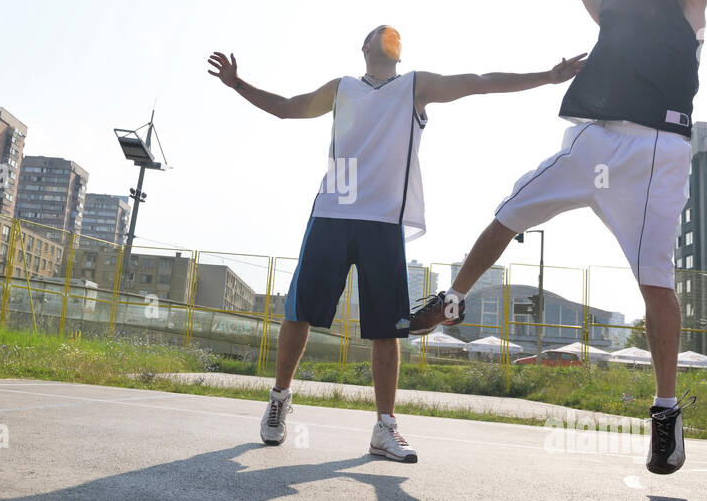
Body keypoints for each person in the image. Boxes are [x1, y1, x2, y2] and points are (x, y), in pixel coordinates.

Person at [208, 27, 584, 462]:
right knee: (300, 314)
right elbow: (288, 109)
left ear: (399, 54)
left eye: (395, 36)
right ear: (364, 48)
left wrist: (548, 76)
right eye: (379, 34)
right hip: (334, 210)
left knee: (388, 329)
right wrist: (238, 84)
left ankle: (385, 429)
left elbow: (480, 82)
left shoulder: (415, 86)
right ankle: (279, 400)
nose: (389, 37)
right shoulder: (342, 88)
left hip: (383, 220)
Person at [443, 0, 705, 476]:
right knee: (508, 212)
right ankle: (452, 300)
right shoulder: (613, 10)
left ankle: (665, 413)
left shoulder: (691, 3)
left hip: (655, 152)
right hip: (592, 142)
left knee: (656, 282)